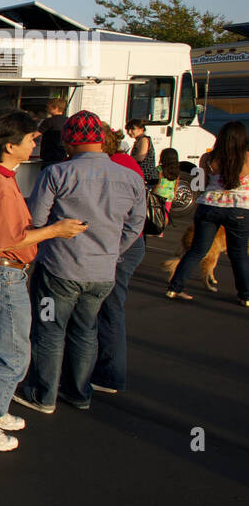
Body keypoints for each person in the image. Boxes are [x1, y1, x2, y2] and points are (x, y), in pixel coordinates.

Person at [0, 110, 88, 451]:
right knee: (12, 354)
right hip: (0, 272)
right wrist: (56, 230)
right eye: (30, 138)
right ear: (10, 146)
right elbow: (6, 241)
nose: (35, 142)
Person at [13, 111, 146, 414]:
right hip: (102, 273)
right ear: (101, 140)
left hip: (59, 269)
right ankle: (78, 392)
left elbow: (36, 219)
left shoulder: (57, 174)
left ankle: (43, 394)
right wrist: (113, 250)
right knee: (86, 330)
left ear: (68, 141)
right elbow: (135, 225)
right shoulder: (130, 177)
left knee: (49, 328)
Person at [88, 127, 149, 397]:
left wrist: (114, 250)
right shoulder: (128, 163)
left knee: (109, 310)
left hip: (117, 247)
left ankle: (109, 374)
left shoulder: (111, 168)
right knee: (107, 308)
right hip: (128, 245)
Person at [166, 121, 249, 307]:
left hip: (208, 205)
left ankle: (175, 287)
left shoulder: (208, 158)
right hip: (239, 208)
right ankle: (245, 295)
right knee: (239, 254)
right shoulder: (246, 158)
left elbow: (202, 183)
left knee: (197, 250)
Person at [153, 148, 182, 225]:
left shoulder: (159, 169)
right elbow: (176, 184)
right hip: (170, 194)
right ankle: (161, 231)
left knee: (156, 212)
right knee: (166, 213)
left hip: (159, 192)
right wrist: (175, 194)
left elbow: (158, 182)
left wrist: (153, 191)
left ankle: (155, 228)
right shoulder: (177, 170)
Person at [37, 97, 69, 165]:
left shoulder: (49, 121)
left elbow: (36, 134)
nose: (47, 109)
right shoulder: (68, 120)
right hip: (63, 154)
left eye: (49, 107)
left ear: (55, 108)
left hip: (49, 155)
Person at [127, 119, 159, 186]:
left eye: (133, 129)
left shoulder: (143, 140)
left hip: (147, 177)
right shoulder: (139, 140)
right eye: (128, 130)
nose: (129, 132)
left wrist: (126, 158)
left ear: (141, 129)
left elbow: (141, 157)